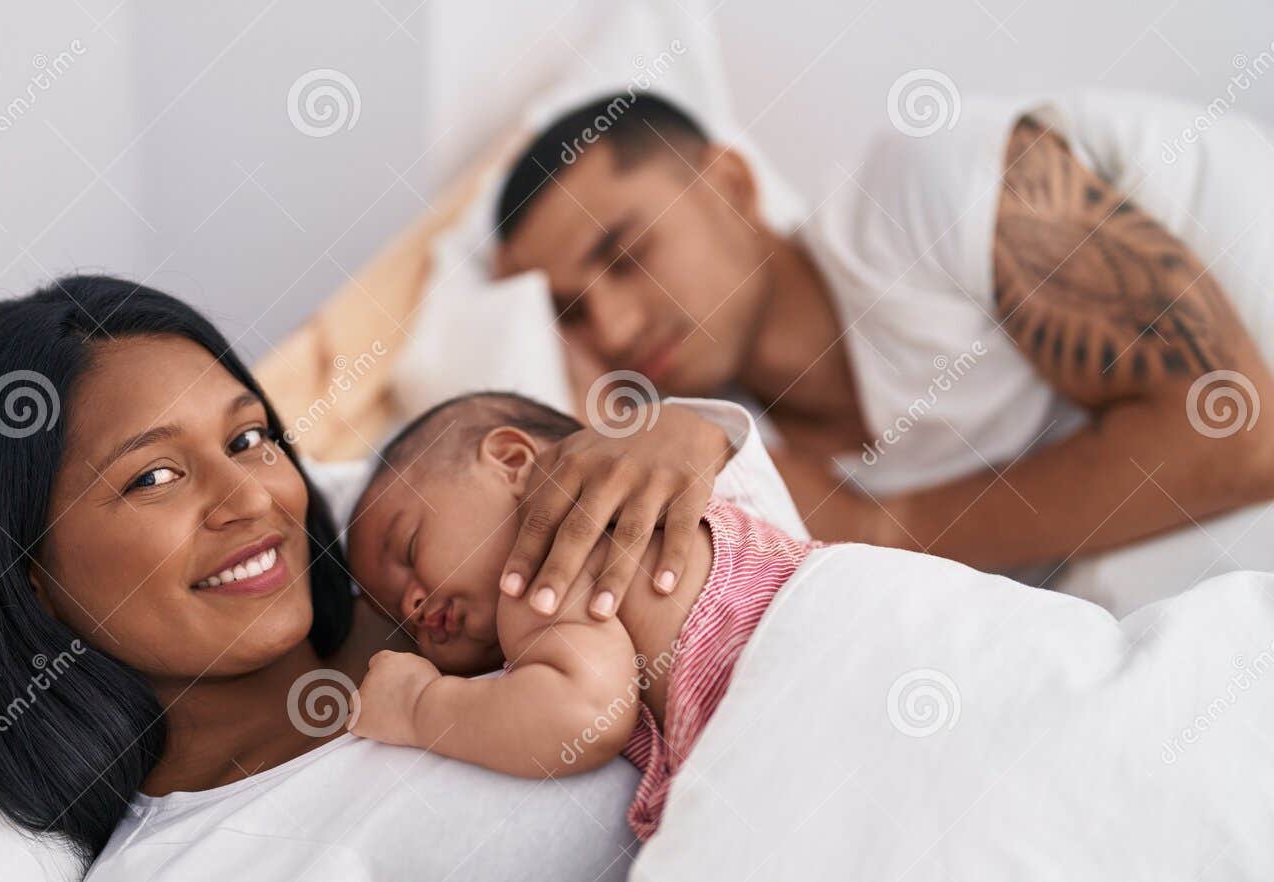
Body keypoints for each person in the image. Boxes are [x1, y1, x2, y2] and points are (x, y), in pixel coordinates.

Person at [0, 275, 756, 882]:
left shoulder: (428, 559)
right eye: (154, 479)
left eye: (248, 440)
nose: (254, 497)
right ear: (28, 580)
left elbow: (747, 580)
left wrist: (694, 437)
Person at [493, 91, 1274, 579]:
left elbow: (1241, 433)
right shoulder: (755, 476)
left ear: (729, 184)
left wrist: (891, 530)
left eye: (629, 255)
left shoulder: (925, 184)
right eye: (573, 312)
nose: (617, 326)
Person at [346, 391, 815, 841]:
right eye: (398, 619)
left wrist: (418, 707)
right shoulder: (677, 500)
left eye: (408, 547)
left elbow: (584, 715)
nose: (411, 605)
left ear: (511, 461)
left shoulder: (538, 575)